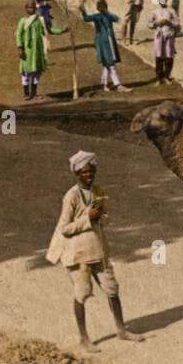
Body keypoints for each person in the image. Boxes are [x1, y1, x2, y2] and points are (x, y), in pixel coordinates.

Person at [47, 150, 142, 350]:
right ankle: (83, 338)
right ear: (77, 174)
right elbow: (65, 228)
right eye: (84, 173)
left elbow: (107, 218)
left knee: (112, 289)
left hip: (99, 250)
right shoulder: (71, 196)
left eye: (91, 172)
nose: (89, 176)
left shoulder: (98, 191)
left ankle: (121, 330)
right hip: (78, 254)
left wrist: (101, 217)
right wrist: (88, 218)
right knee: (82, 293)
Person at [15, 0, 65, 100]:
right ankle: (26, 93)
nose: (31, 10)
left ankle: (34, 93)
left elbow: (49, 30)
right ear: (26, 9)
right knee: (26, 72)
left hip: (37, 51)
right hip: (27, 51)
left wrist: (62, 31)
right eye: (29, 8)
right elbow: (19, 35)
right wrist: (20, 48)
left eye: (33, 8)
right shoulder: (23, 21)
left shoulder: (40, 20)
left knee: (37, 72)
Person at [83, 0, 129, 94]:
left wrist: (106, 12)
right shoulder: (97, 16)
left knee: (106, 64)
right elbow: (86, 18)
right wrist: (82, 10)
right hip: (103, 42)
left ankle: (104, 84)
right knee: (110, 63)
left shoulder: (108, 16)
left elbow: (117, 19)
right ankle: (118, 84)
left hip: (109, 41)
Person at [148, 0, 179, 82]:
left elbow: (177, 23)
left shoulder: (171, 11)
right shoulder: (155, 12)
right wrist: (157, 23)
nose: (163, 1)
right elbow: (149, 24)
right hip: (159, 35)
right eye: (160, 0)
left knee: (169, 55)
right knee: (159, 55)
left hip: (169, 35)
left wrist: (169, 22)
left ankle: (167, 75)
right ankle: (159, 76)